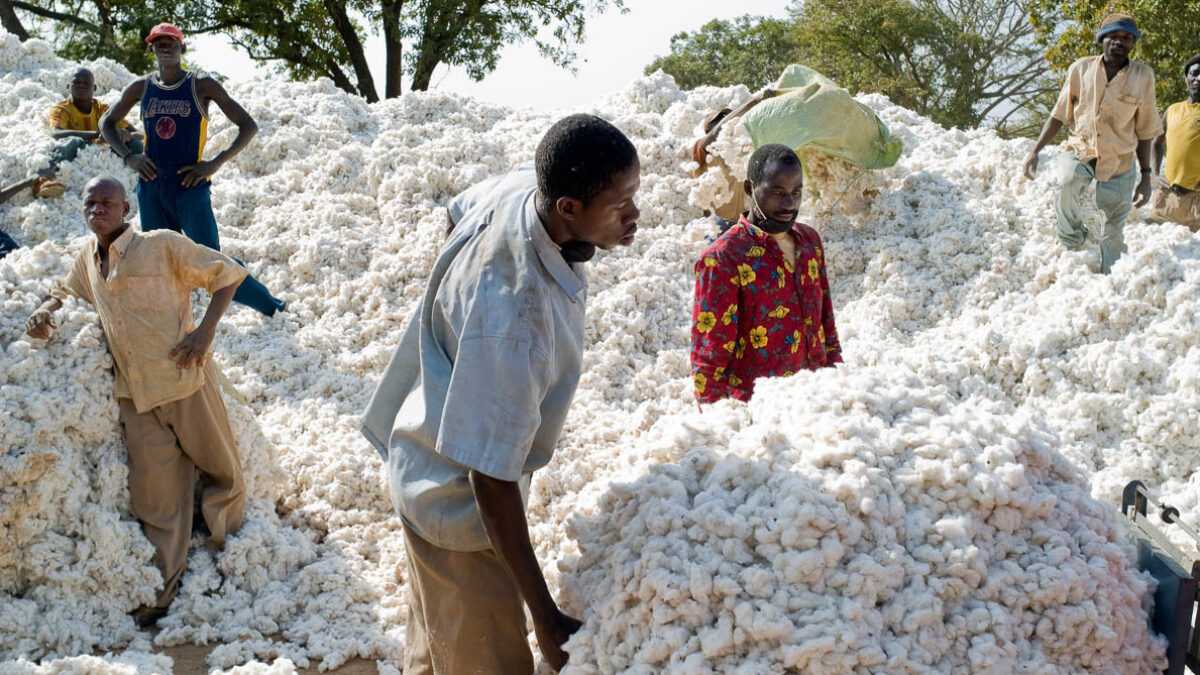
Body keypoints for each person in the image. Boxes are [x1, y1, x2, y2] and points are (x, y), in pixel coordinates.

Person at [360, 114, 641, 674]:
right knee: (487, 660)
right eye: (620, 204)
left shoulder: (519, 187)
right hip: (455, 508)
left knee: (440, 647)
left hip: (418, 452)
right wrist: (545, 616)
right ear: (567, 207)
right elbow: (488, 478)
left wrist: (456, 312)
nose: (635, 215)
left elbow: (457, 210)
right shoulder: (515, 319)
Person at [25, 176, 248, 627]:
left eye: (107, 201)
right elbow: (65, 290)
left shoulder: (162, 245)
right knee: (155, 499)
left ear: (127, 208)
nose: (98, 208)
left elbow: (229, 275)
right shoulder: (88, 259)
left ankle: (235, 558)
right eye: (90, 202)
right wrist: (47, 309)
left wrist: (204, 333)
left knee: (222, 469)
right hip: (137, 398)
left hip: (185, 381)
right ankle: (164, 590)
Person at [100, 23, 286, 317]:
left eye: (171, 41)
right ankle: (173, 321)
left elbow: (248, 126)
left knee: (211, 262)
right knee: (160, 257)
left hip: (190, 188)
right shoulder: (141, 87)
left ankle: (272, 307)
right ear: (151, 48)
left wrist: (215, 162)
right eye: (158, 42)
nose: (164, 45)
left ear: (181, 47)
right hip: (152, 188)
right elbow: (106, 123)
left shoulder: (201, 86)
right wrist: (128, 157)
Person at [691, 144, 841, 404]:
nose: (789, 202)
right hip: (758, 412)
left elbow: (825, 321)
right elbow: (709, 353)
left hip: (815, 403)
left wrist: (837, 380)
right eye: (777, 192)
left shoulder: (809, 242)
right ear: (750, 189)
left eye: (797, 192)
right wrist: (716, 423)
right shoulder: (724, 258)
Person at [1024, 13, 1162, 274]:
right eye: (1114, 36)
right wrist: (1034, 151)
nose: (1120, 42)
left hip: (1120, 159)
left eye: (1127, 38)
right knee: (1068, 180)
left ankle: (1111, 276)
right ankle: (1071, 241)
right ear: (1102, 39)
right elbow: (1058, 114)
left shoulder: (1143, 76)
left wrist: (1145, 175)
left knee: (1112, 226)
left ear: (1132, 44)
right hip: (1081, 148)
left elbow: (1145, 131)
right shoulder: (1081, 68)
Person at [0, 68, 137, 204]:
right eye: (77, 82)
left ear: (94, 88)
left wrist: (123, 134)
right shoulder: (62, 109)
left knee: (135, 145)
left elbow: (137, 133)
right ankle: (44, 180)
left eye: (86, 83)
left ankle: (144, 176)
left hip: (103, 154)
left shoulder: (103, 109)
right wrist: (97, 134)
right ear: (68, 87)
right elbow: (56, 133)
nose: (81, 85)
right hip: (75, 153)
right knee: (72, 141)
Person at [1151, 54, 1200, 231]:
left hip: (1196, 201)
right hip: (1166, 198)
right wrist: (1154, 174)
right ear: (1187, 78)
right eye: (1195, 73)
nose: (1198, 78)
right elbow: (1156, 143)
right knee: (1156, 251)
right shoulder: (1172, 110)